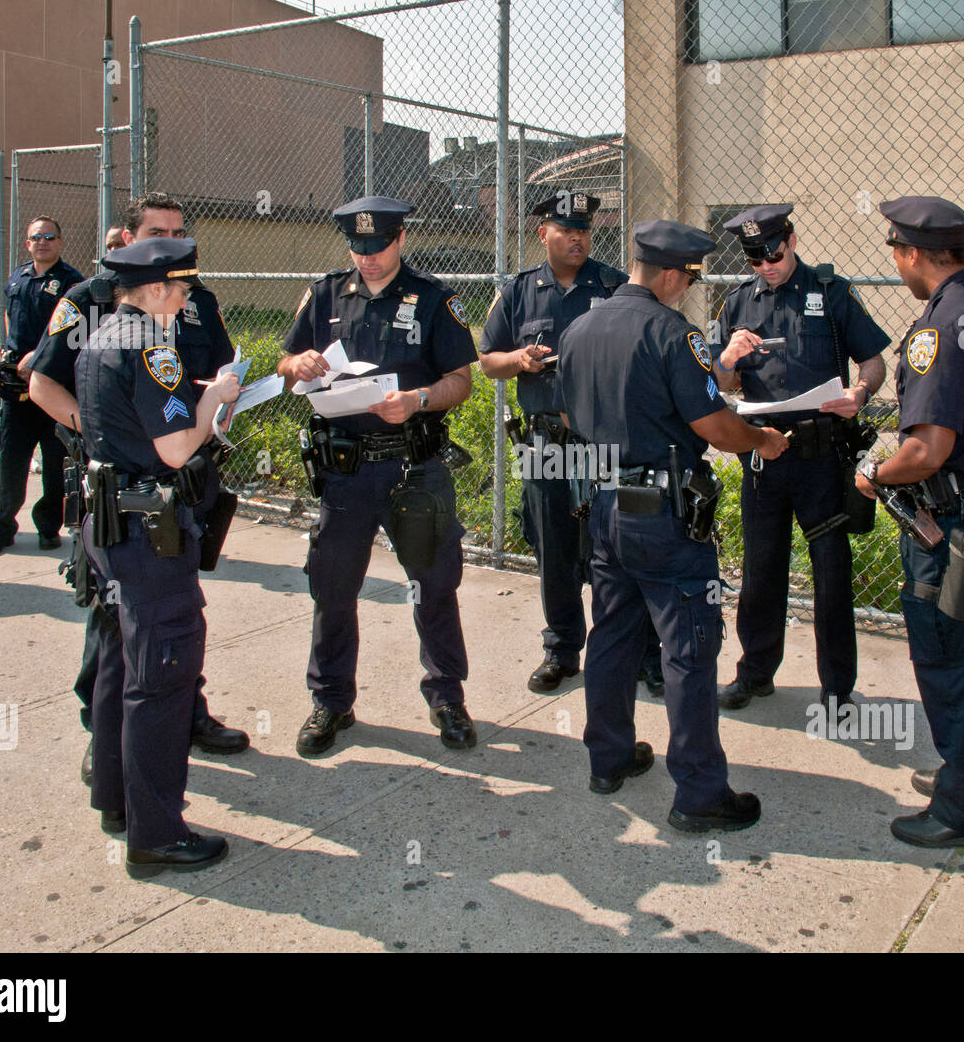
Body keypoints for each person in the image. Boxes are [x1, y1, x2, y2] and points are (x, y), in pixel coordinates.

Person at [556, 219, 788, 833]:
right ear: (667, 274)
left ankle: (607, 759)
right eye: (688, 277)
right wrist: (761, 440)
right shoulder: (671, 333)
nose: (688, 288)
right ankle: (700, 793)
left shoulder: (580, 327)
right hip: (660, 515)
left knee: (611, 635)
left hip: (601, 504)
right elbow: (714, 424)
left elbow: (567, 410)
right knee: (688, 649)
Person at [30, 194, 250, 782]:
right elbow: (42, 385)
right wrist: (109, 432)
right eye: (157, 232)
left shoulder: (196, 300)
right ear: (127, 240)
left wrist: (211, 413)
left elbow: (220, 371)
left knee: (168, 617)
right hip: (125, 479)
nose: (171, 243)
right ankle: (108, 738)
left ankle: (184, 714)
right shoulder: (86, 302)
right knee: (117, 622)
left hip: (183, 479)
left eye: (180, 233)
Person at [854, 196, 964, 848]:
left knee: (949, 654)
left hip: (958, 518)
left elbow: (927, 449)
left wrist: (875, 474)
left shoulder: (940, 327)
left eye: (894, 253)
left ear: (908, 253)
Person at [277, 196, 479, 756]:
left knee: (434, 584)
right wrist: (299, 365)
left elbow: (461, 380)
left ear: (401, 238)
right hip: (344, 470)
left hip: (414, 467)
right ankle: (331, 700)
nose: (367, 259)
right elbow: (286, 363)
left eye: (379, 247)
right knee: (334, 588)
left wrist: (418, 398)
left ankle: (446, 696)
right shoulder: (325, 293)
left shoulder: (435, 298)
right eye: (358, 249)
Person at [77, 236, 239, 877]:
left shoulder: (102, 336)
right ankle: (156, 835)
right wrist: (215, 398)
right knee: (164, 679)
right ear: (151, 291)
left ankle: (115, 799)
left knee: (121, 663)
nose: (184, 299)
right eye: (179, 288)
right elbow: (175, 449)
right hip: (148, 536)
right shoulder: (150, 345)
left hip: (111, 523)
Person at [479, 191, 664, 696]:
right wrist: (520, 360)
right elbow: (487, 359)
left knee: (621, 550)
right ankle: (561, 650)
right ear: (544, 234)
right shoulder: (519, 291)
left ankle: (646, 654)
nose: (578, 237)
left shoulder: (615, 285)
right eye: (566, 229)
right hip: (543, 443)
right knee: (554, 550)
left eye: (583, 229)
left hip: (603, 440)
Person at [711, 204, 889, 712]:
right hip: (763, 456)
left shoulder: (831, 293)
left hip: (821, 457)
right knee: (761, 568)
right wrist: (728, 360)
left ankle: (837, 688)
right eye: (753, 257)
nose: (765, 264)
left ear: (791, 239)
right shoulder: (737, 302)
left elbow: (872, 360)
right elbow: (719, 384)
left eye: (773, 251)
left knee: (831, 570)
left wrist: (860, 394)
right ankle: (755, 672)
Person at [0, 217, 83, 555]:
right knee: (11, 459)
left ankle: (48, 528)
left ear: (60, 241)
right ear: (27, 243)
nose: (42, 242)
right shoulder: (18, 277)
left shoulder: (72, 282)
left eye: (49, 236)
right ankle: (2, 528)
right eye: (36, 237)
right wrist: (11, 353)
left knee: (55, 463)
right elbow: (11, 317)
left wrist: (36, 358)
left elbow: (70, 331)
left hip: (53, 387)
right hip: (17, 391)